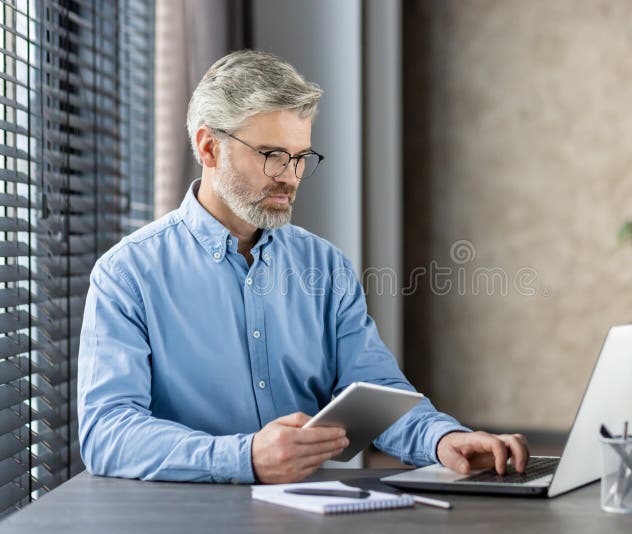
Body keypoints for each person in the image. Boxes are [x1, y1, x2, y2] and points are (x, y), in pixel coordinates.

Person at [77, 49, 529, 484]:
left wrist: (443, 439)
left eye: (300, 158)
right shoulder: (128, 274)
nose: (290, 177)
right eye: (272, 155)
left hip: (310, 513)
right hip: (184, 517)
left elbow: (374, 390)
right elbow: (106, 432)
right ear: (210, 148)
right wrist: (244, 458)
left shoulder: (326, 267)